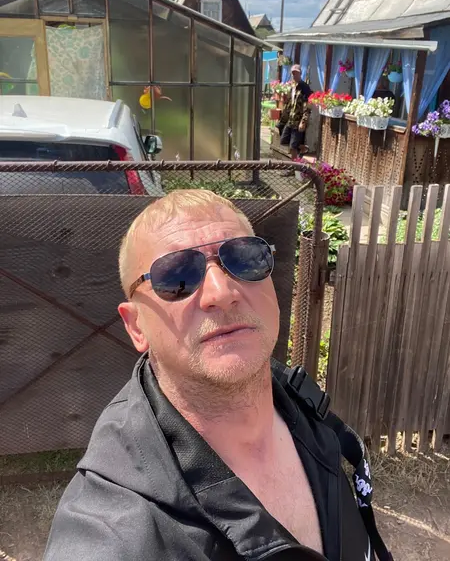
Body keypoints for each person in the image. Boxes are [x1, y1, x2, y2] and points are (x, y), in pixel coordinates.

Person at [44, 190, 387, 561]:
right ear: (136, 326)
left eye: (244, 259)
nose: (221, 293)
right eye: (177, 276)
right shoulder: (114, 536)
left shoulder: (301, 404)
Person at [278, 64, 313, 175]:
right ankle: (302, 148)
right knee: (284, 140)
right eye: (293, 73)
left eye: (296, 73)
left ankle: (293, 169)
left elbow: (308, 106)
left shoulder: (304, 87)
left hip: (298, 120)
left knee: (293, 146)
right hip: (290, 119)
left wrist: (304, 121)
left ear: (300, 73)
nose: (294, 75)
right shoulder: (292, 86)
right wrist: (283, 119)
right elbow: (288, 104)